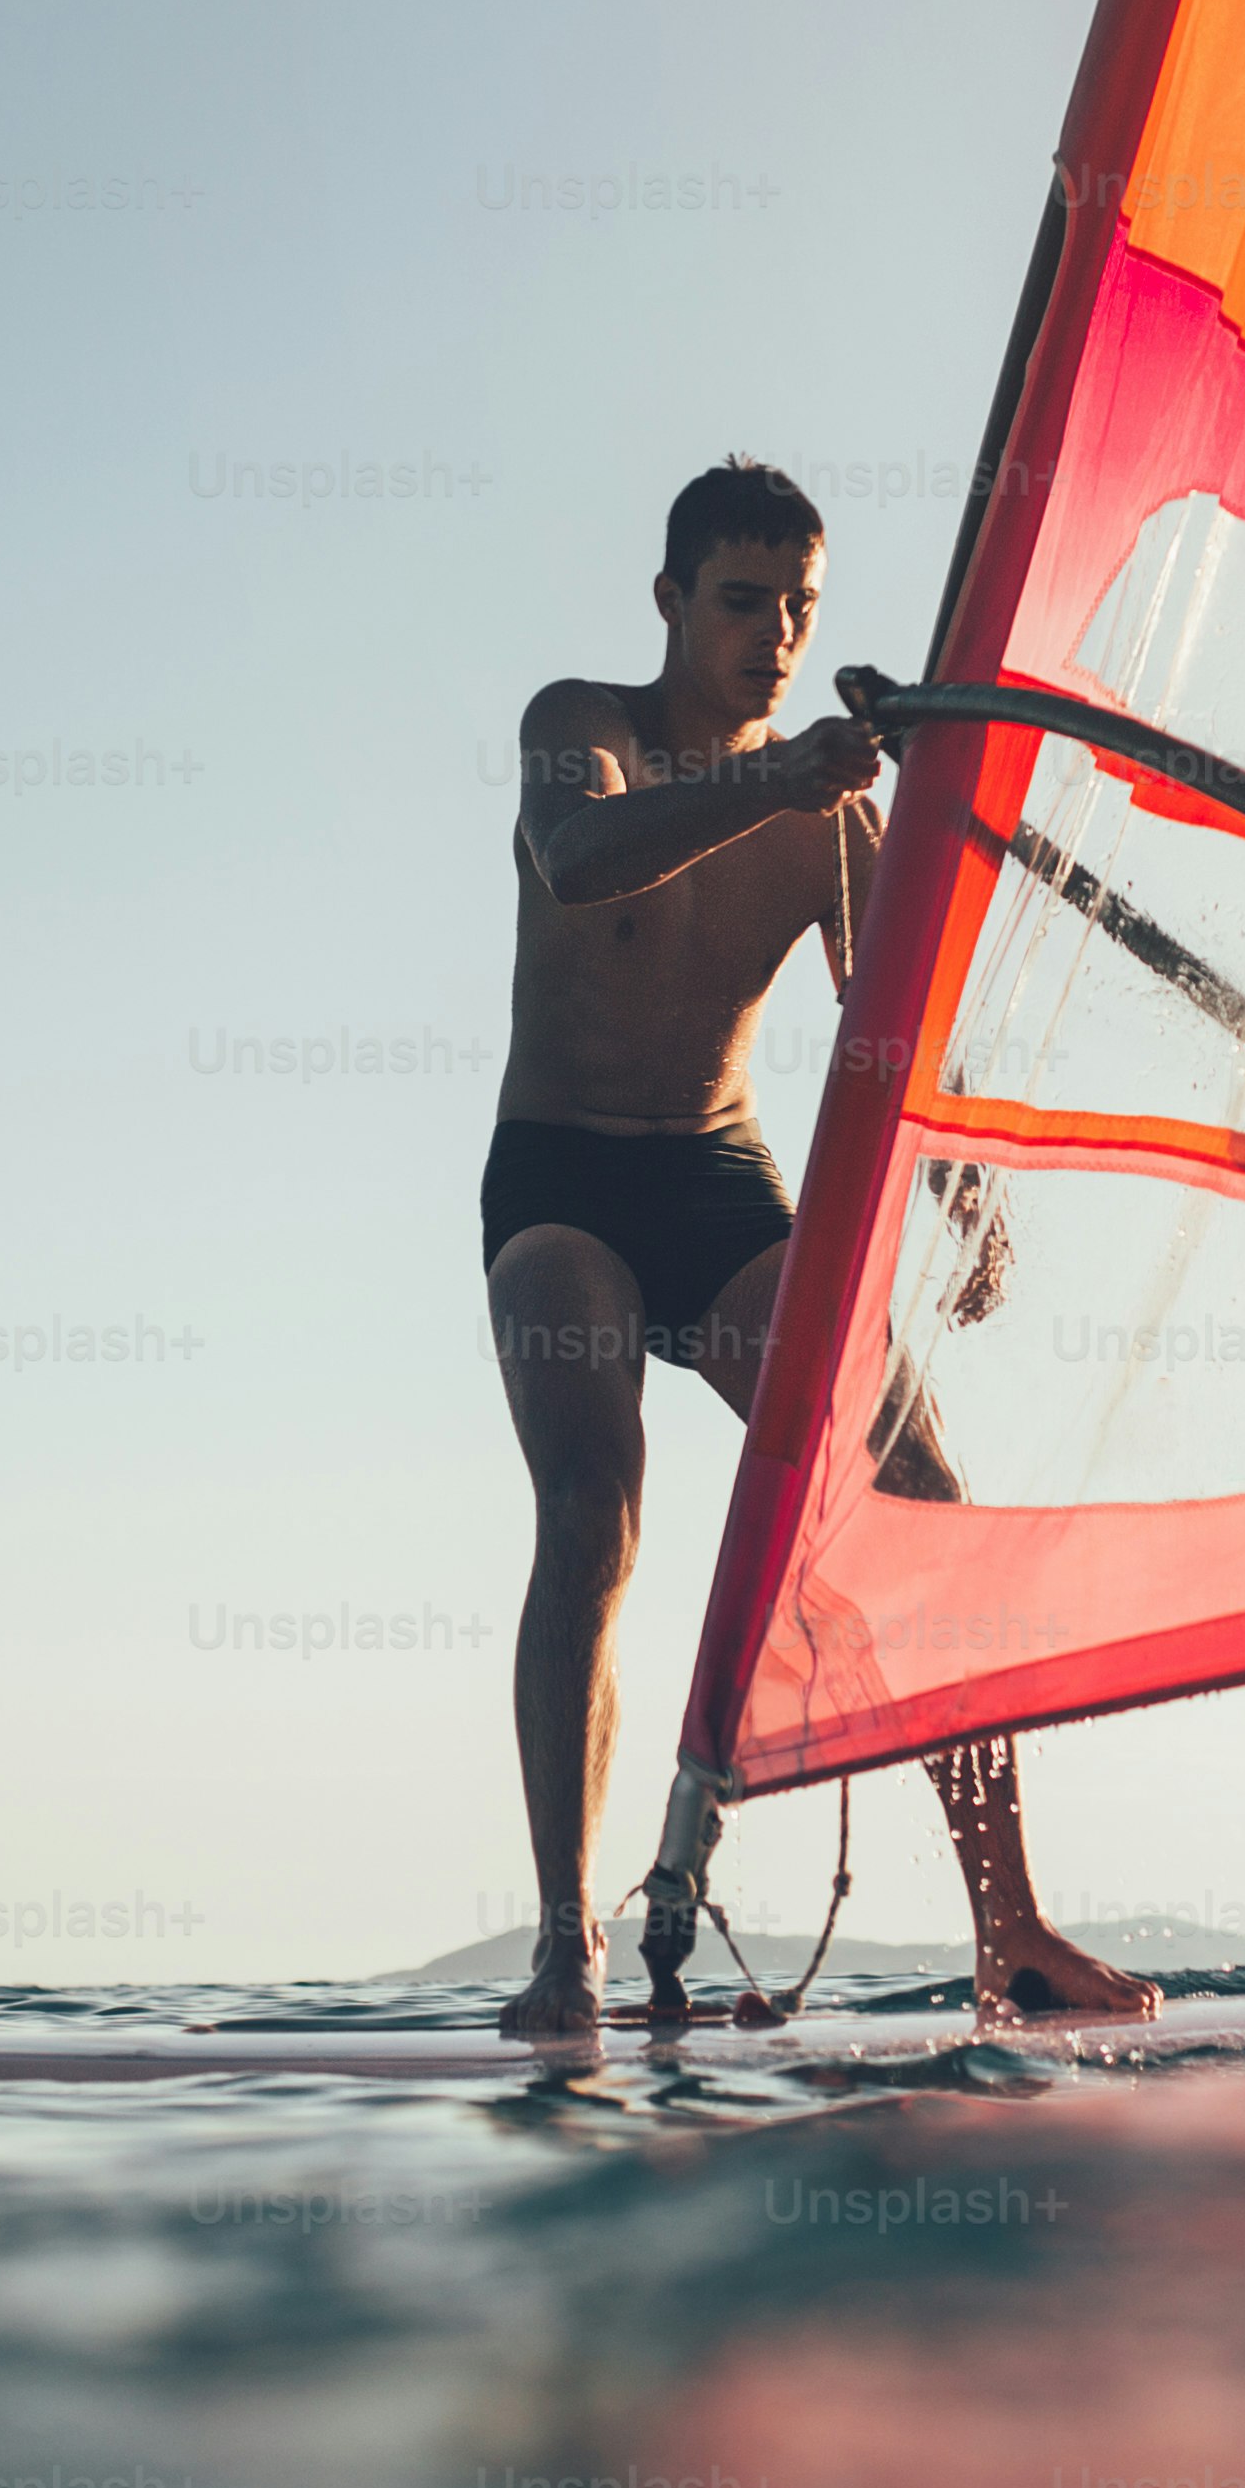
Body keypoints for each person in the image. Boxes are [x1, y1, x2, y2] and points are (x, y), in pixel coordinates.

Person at [479, 456, 1157, 2041]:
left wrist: (968, 1179)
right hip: (564, 1186)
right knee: (594, 1514)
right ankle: (567, 1950)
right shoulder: (577, 724)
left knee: (922, 1488)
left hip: (719, 1183)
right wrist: (775, 781)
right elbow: (580, 860)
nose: (771, 634)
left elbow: (892, 1029)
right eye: (740, 602)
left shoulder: (830, 819)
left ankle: (1015, 1926)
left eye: (798, 606)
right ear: (669, 604)